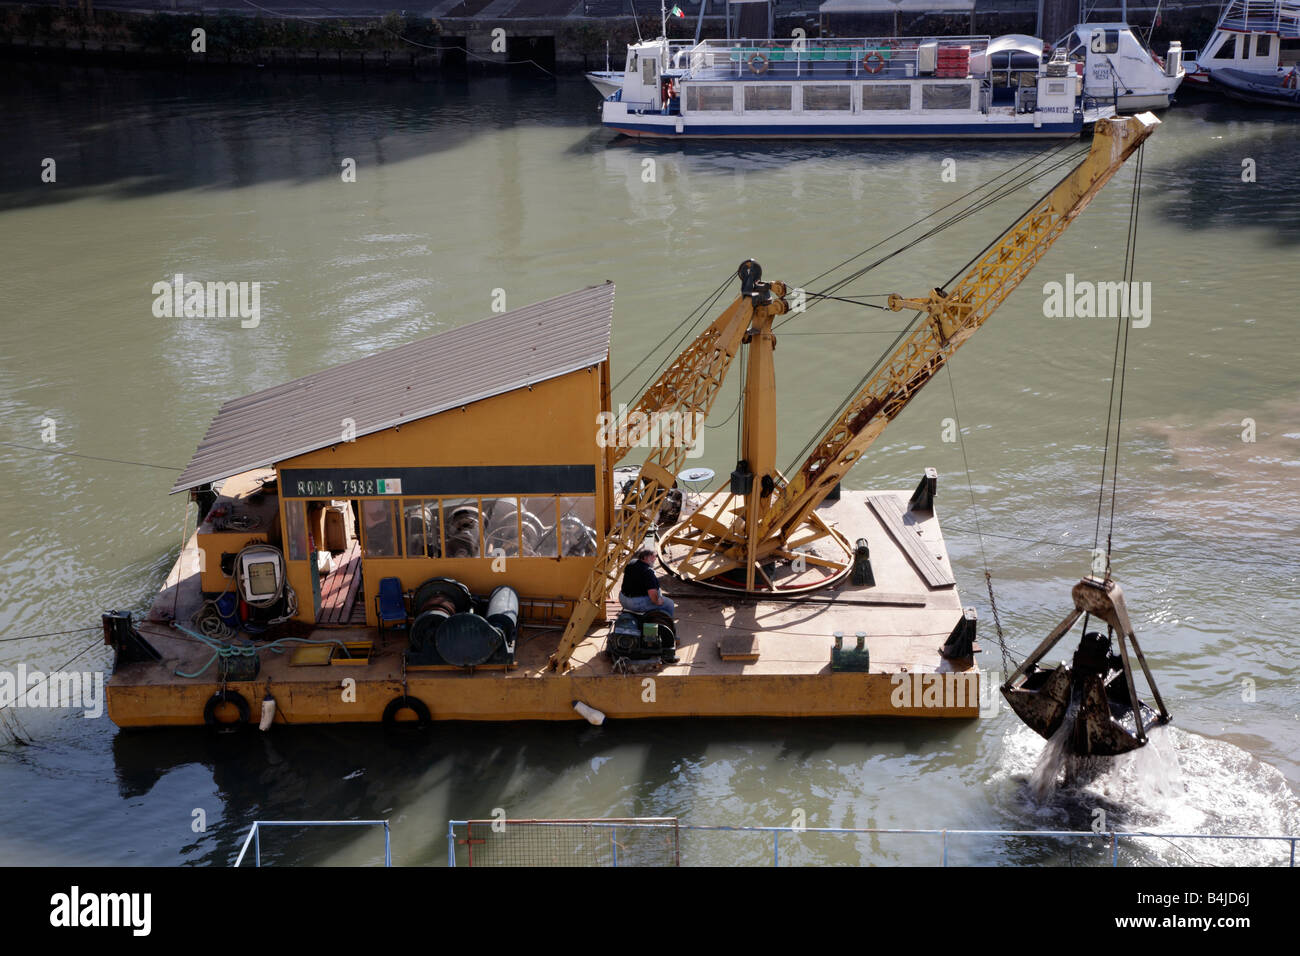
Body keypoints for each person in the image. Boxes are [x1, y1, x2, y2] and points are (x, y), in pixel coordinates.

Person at [619, 548, 675, 619]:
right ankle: (665, 623)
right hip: (635, 603)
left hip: (623, 599)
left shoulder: (631, 563)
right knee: (669, 603)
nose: (655, 559)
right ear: (645, 558)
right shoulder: (648, 572)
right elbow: (652, 594)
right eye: (654, 556)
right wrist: (658, 602)